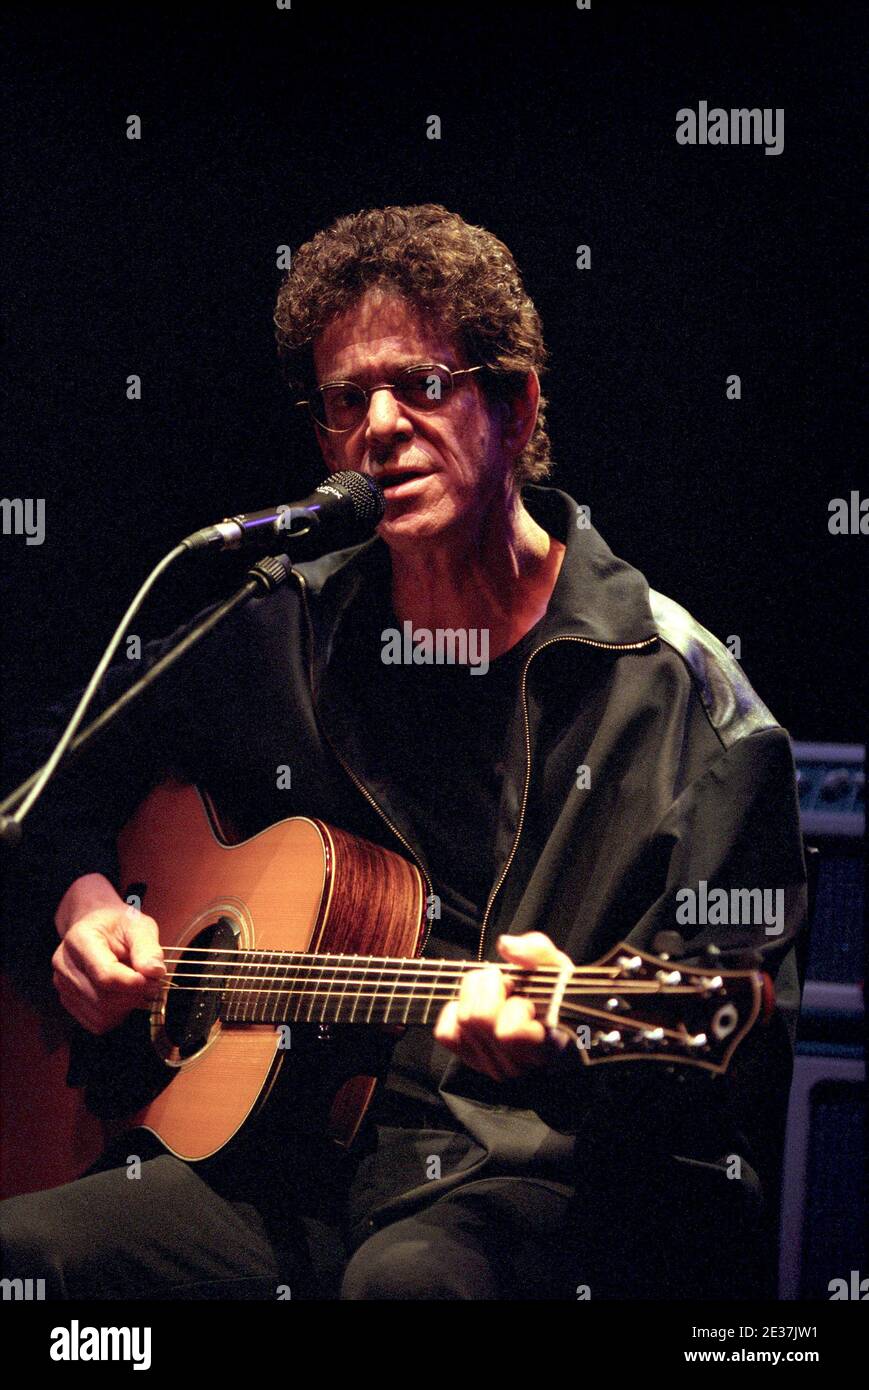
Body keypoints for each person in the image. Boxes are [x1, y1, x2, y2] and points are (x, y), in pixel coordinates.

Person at [0, 203, 806, 1300]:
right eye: (344, 400)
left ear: (514, 405)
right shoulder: (283, 620)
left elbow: (733, 1036)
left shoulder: (688, 705)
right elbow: (46, 779)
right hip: (289, 1173)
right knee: (29, 1261)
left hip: (548, 1179)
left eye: (419, 385)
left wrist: (567, 1036)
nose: (377, 427)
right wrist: (88, 906)